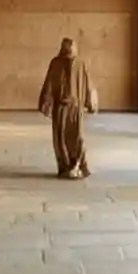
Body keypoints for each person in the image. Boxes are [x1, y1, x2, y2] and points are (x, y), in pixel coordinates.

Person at [38, 38, 97, 179]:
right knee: (60, 138)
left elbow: (88, 83)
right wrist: (46, 102)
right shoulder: (56, 63)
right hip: (60, 107)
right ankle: (65, 166)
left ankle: (78, 165)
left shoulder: (81, 64)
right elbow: (50, 82)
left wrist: (91, 102)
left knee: (77, 137)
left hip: (76, 107)